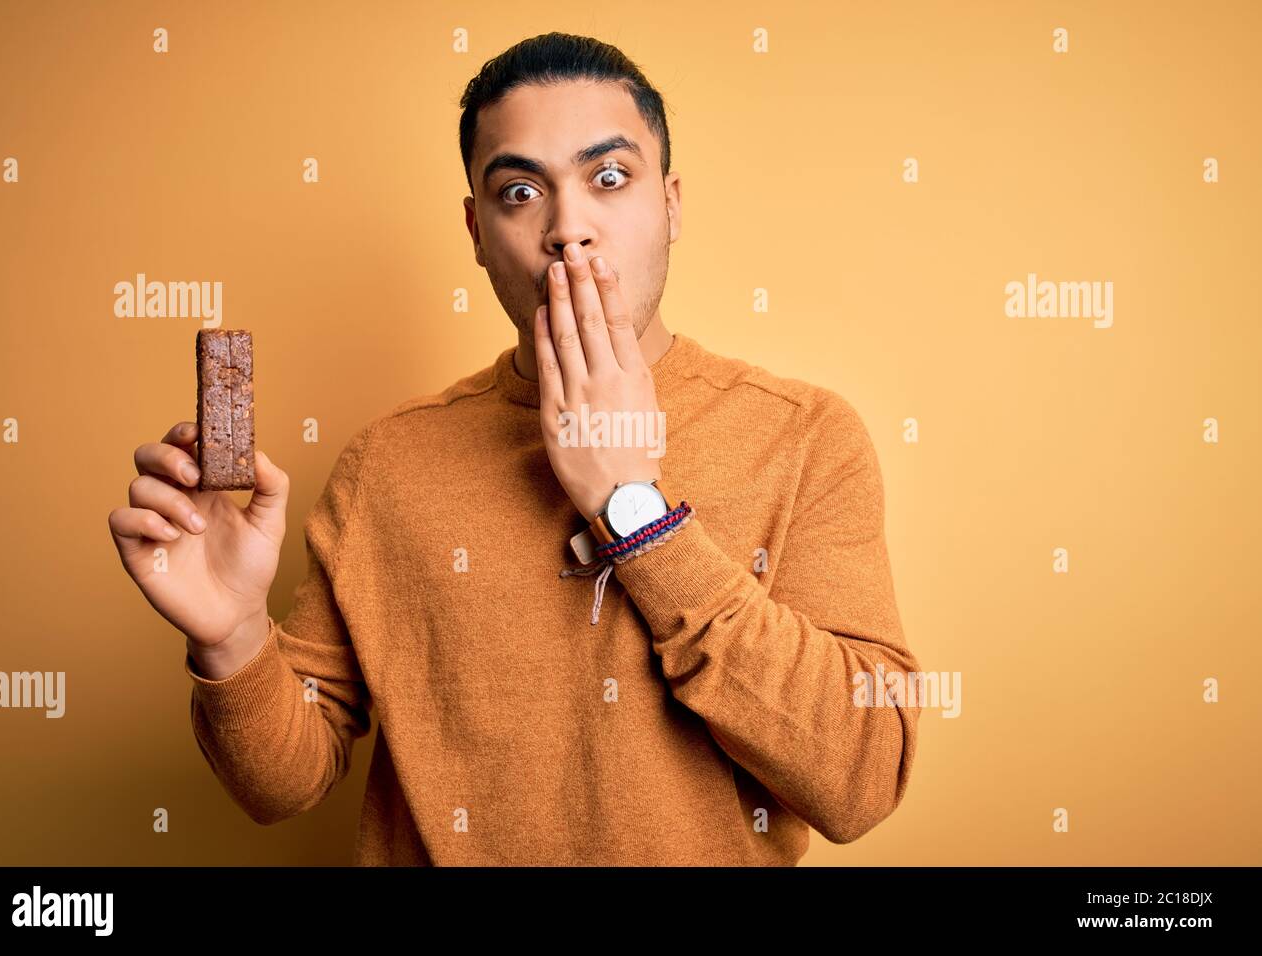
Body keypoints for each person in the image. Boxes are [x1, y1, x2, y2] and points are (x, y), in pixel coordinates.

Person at [108, 31, 922, 866]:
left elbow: (861, 779)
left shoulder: (805, 435)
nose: (570, 229)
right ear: (475, 228)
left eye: (610, 178)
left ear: (671, 203)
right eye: (521, 191)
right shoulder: (385, 464)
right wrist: (234, 635)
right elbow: (283, 786)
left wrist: (633, 512)